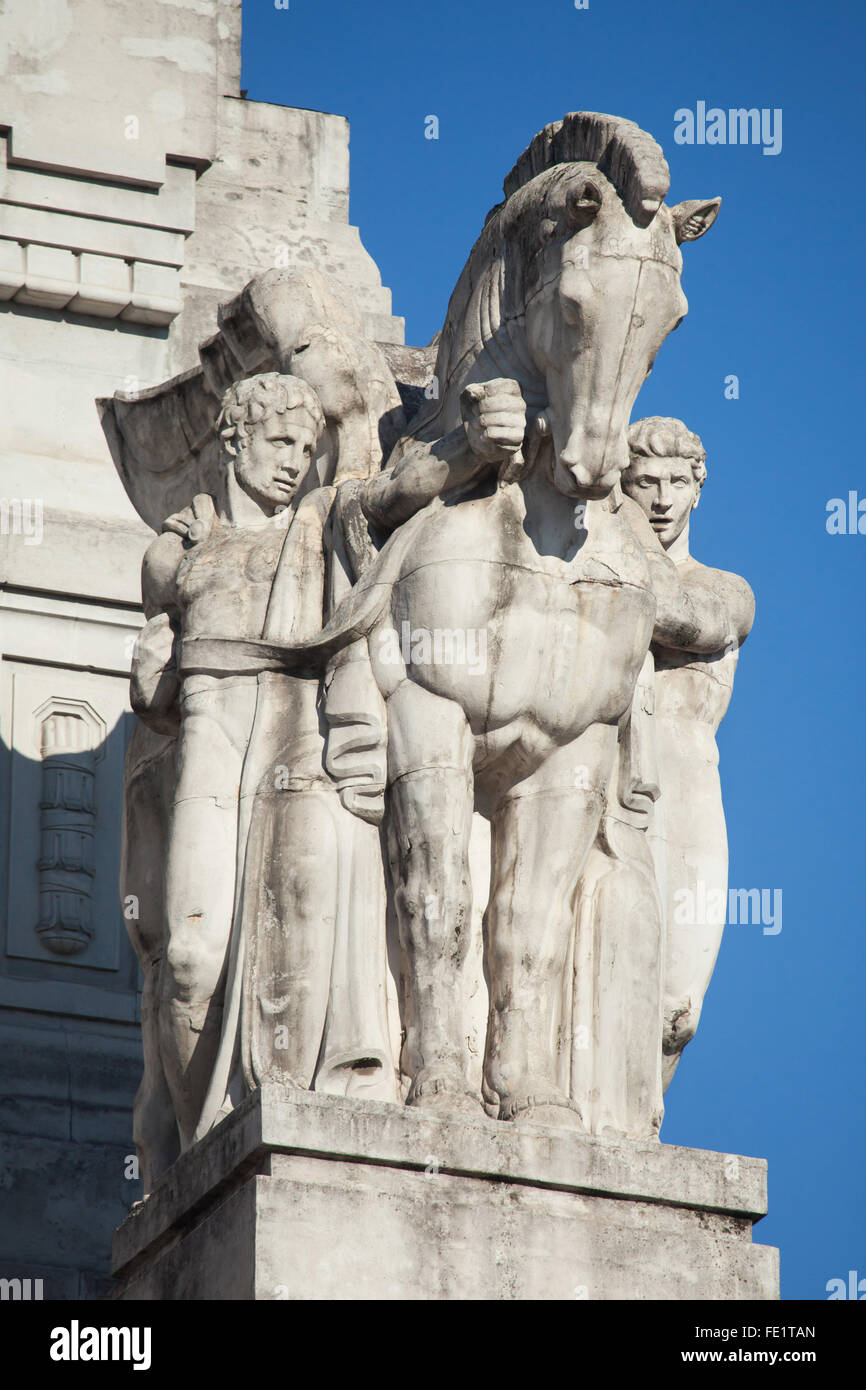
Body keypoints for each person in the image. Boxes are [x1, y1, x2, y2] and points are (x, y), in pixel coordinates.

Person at [620, 416, 755, 1087]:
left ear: (699, 488)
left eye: (677, 481)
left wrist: (612, 533)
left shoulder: (726, 590)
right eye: (645, 482)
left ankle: (643, 1120)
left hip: (688, 778)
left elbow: (679, 618)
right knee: (608, 980)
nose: (663, 498)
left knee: (677, 1006)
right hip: (612, 771)